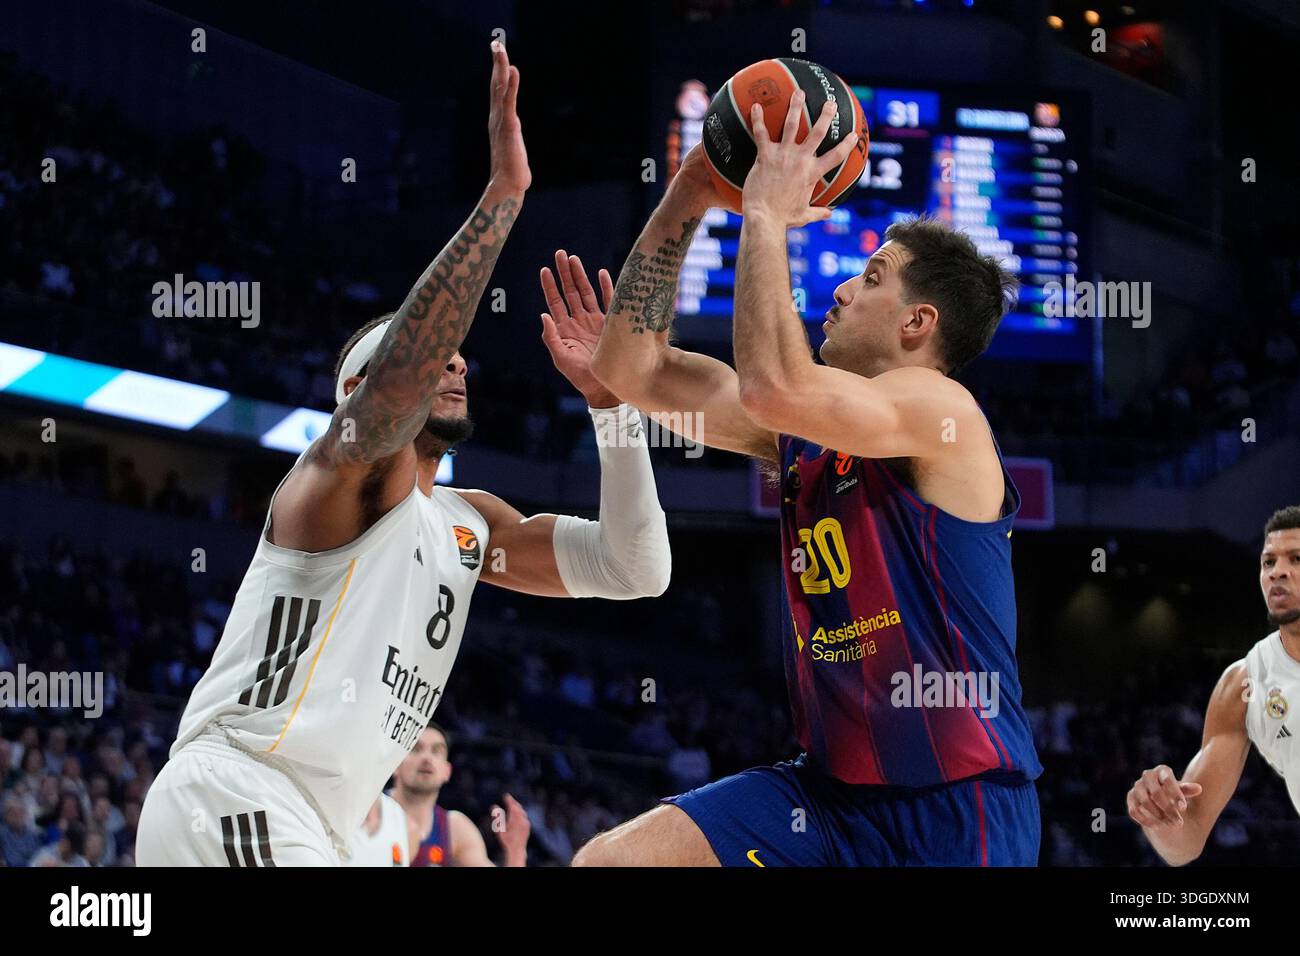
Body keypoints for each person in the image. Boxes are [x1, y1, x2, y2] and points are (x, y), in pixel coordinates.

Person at [137, 40, 670, 867]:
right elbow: (401, 376)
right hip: (243, 791)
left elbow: (636, 570)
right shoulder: (337, 481)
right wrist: (501, 199)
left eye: (460, 359)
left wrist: (614, 409)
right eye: (433, 360)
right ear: (358, 390)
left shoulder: (470, 524)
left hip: (321, 825)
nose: (456, 365)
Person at [564, 92, 1040, 866]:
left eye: (872, 278)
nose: (844, 290)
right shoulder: (805, 428)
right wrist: (690, 188)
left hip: (957, 804)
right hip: (825, 796)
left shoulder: (939, 409)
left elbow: (773, 386)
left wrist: (765, 213)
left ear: (917, 322)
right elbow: (630, 369)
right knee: (611, 862)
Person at [1127, 505, 1300, 865]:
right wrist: (1158, 815)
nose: (1278, 572)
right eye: (1269, 562)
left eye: (1296, 559)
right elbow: (1188, 837)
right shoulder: (1245, 683)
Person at [389, 723, 528, 867]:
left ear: (447, 771)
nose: (427, 758)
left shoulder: (455, 828)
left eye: (436, 751)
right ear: (394, 764)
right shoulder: (374, 807)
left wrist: (516, 854)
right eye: (416, 749)